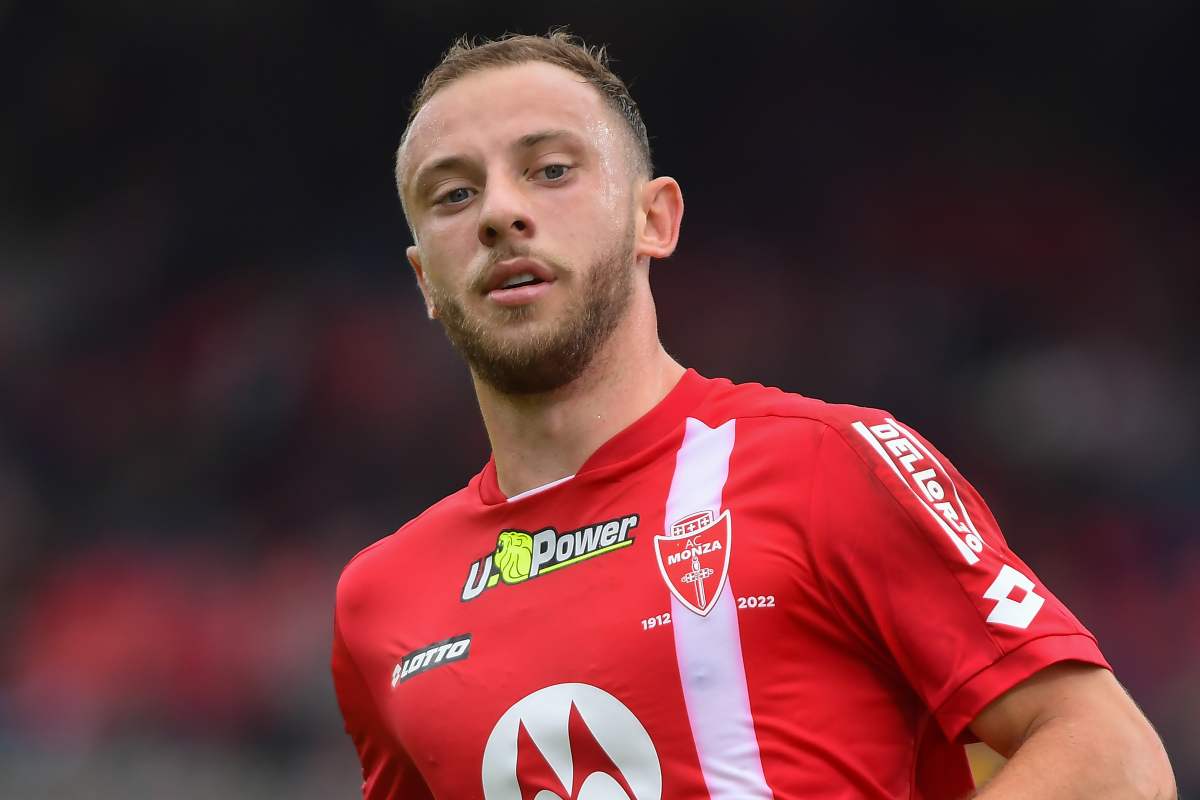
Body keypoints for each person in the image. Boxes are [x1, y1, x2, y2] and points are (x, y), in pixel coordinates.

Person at [331, 30, 1176, 800]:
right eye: (453, 194)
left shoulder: (834, 464)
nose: (498, 213)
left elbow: (1113, 760)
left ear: (653, 219)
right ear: (424, 280)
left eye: (551, 170)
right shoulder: (380, 604)